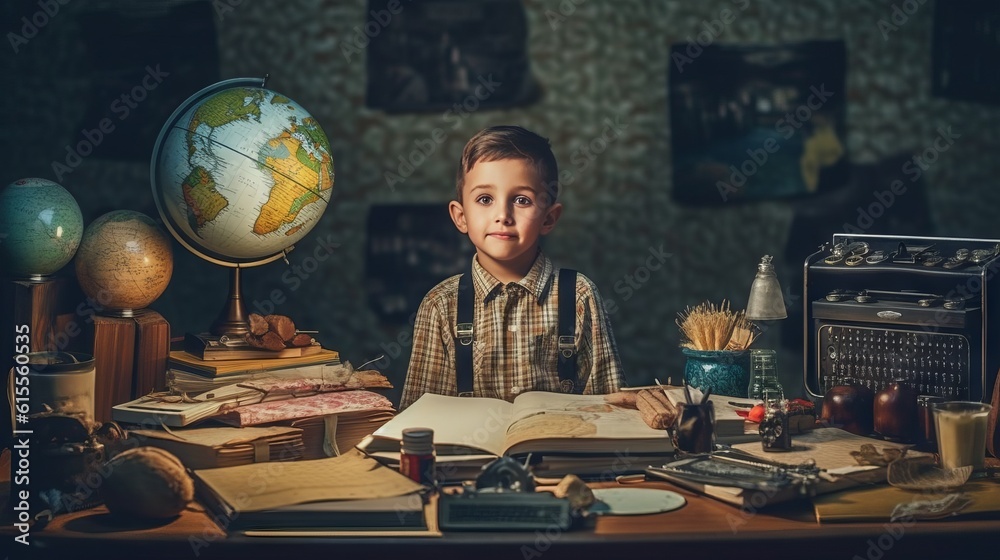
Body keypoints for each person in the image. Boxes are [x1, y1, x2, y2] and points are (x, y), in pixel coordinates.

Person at [399, 125, 625, 409]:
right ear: (461, 216)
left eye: (522, 200)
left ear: (549, 218)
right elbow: (421, 417)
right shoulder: (441, 304)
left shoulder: (579, 295)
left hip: (561, 450)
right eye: (485, 199)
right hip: (470, 452)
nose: (502, 215)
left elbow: (610, 404)